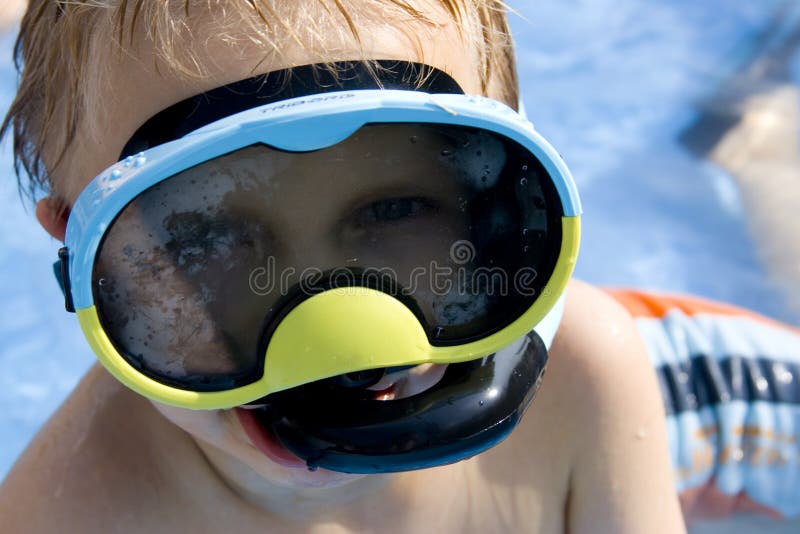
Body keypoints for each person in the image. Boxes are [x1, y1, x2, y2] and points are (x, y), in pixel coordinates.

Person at [6, 1, 790, 532]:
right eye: (209, 241)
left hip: (701, 390)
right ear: (77, 252)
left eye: (392, 210)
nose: (335, 336)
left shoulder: (590, 373)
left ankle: (755, 149)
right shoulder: (69, 511)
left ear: (500, 203)